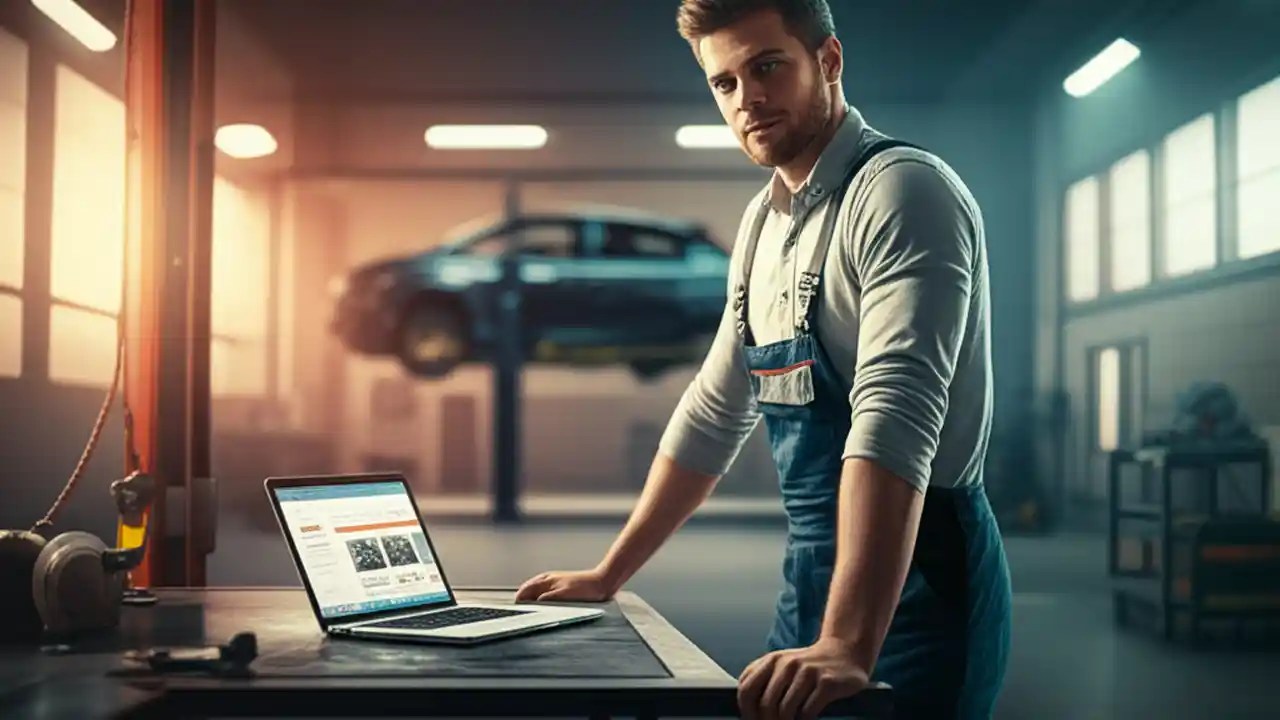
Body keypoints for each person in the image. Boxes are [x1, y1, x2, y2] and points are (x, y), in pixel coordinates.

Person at [515, 1, 1012, 718]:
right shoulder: (762, 223)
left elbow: (896, 416)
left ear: (829, 61)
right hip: (811, 580)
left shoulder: (903, 192)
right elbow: (715, 412)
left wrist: (847, 641)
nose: (746, 98)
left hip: (919, 584)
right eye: (724, 83)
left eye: (767, 67)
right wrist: (608, 573)